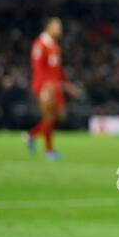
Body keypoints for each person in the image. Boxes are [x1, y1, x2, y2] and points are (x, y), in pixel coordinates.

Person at [24, 17, 79, 160]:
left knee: (59, 117)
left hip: (56, 86)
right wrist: (44, 87)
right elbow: (37, 68)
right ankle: (49, 151)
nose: (59, 29)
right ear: (47, 27)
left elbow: (58, 70)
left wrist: (68, 86)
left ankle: (32, 134)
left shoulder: (55, 46)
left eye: (60, 26)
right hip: (45, 86)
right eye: (56, 26)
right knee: (49, 117)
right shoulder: (40, 44)